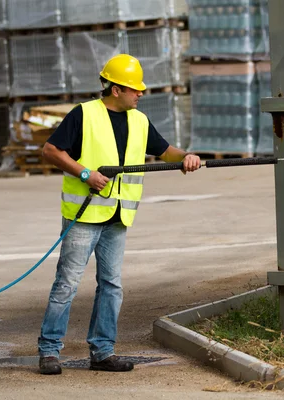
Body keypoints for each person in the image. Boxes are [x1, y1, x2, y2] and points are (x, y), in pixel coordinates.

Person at [37, 54, 201, 375]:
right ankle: (49, 351)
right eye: (134, 89)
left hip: (118, 216)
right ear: (115, 89)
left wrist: (187, 157)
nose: (140, 94)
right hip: (84, 217)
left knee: (111, 285)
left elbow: (166, 151)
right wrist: (86, 174)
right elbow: (51, 150)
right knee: (67, 284)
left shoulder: (139, 120)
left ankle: (102, 352)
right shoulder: (84, 115)